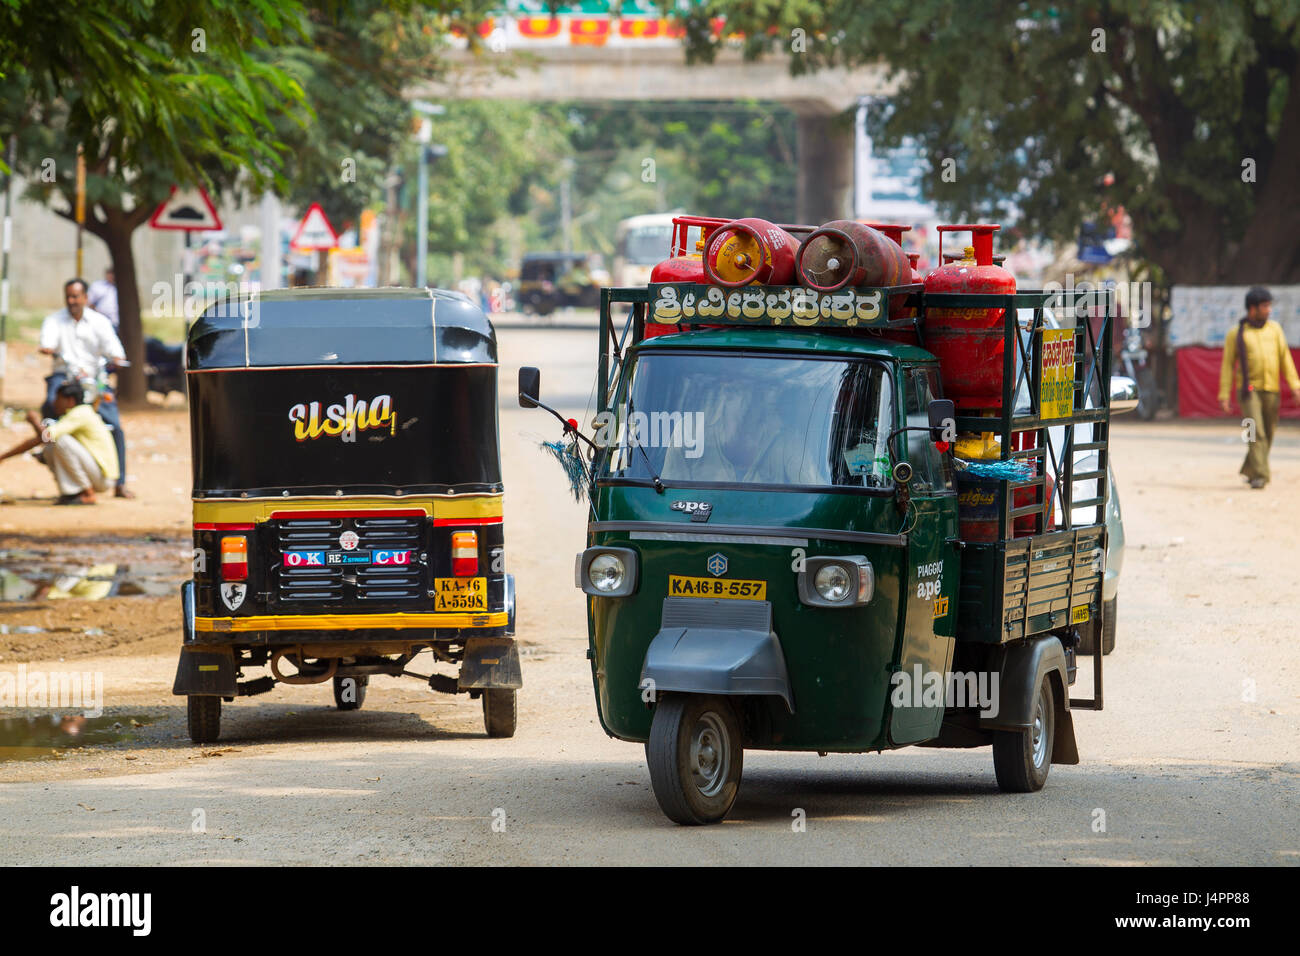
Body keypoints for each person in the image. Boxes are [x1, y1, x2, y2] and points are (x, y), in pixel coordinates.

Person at [39, 278, 134, 497]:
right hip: (66, 377)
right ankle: (44, 444)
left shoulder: (100, 322)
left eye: (76, 296)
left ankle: (120, 483)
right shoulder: (54, 320)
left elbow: (114, 348)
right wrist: (47, 348)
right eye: (69, 296)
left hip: (93, 378)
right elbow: (48, 341)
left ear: (86, 298)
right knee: (50, 402)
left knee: (115, 425)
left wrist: (117, 357)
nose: (72, 301)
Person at [1218, 286, 1300, 488]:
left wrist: (1295, 386)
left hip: (1272, 389)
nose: (1269, 309)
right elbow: (1228, 365)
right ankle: (1261, 476)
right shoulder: (1236, 334)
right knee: (1255, 431)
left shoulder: (1275, 330)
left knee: (1269, 433)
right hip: (1248, 391)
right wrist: (1224, 394)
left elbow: (1285, 359)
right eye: (1265, 306)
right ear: (1252, 309)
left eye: (1269, 305)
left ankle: (1250, 468)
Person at [0, 381, 120, 504]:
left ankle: (88, 494)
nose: (54, 403)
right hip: (97, 473)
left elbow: (45, 437)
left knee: (60, 441)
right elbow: (42, 439)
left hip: (102, 478)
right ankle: (74, 493)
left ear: (70, 401)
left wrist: (35, 421)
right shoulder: (78, 413)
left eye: (58, 399)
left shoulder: (80, 414)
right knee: (50, 448)